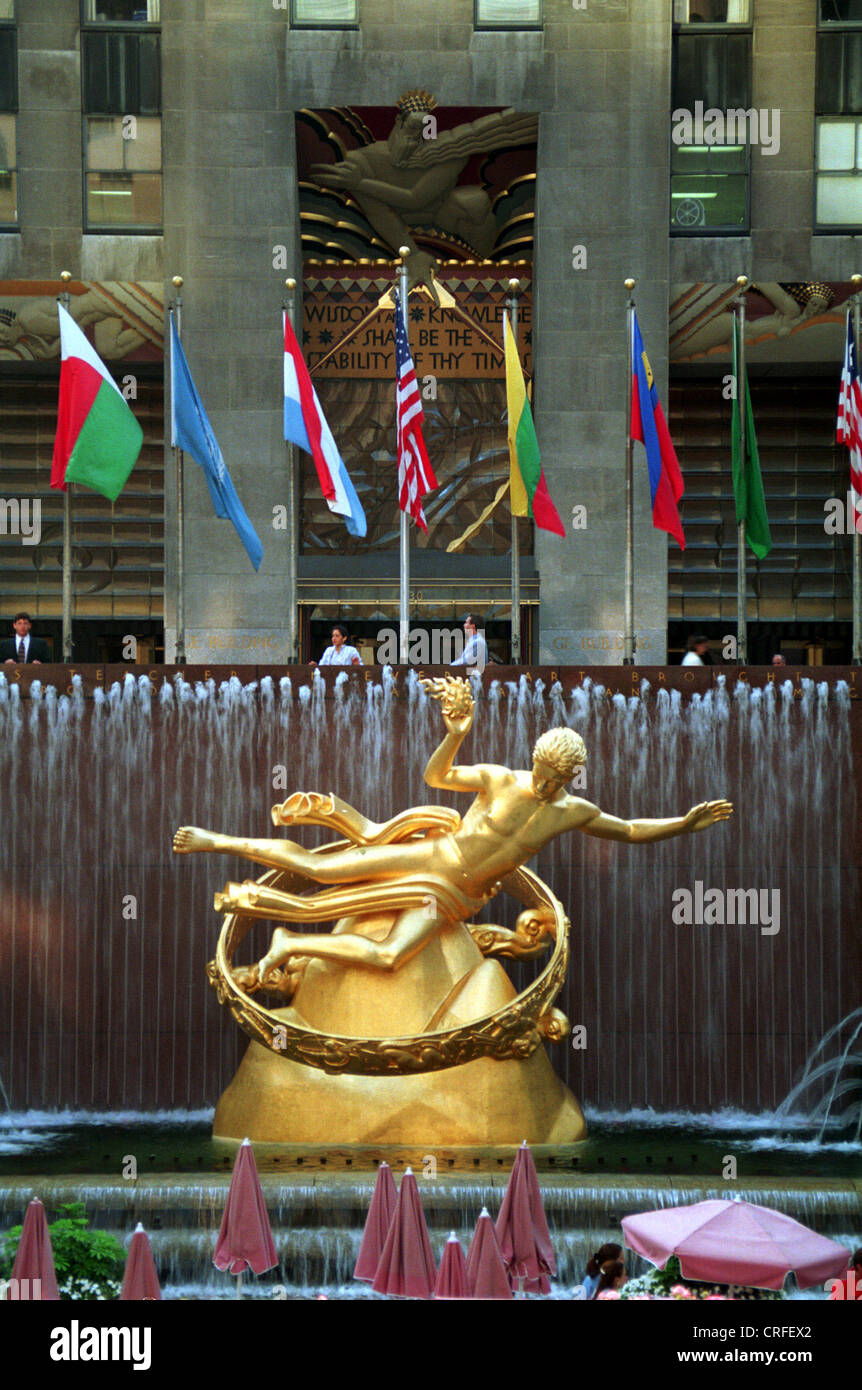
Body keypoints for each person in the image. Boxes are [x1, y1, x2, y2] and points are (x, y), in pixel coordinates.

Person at [173, 676, 733, 983]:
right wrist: (457, 732)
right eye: (539, 768)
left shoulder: (573, 812)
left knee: (391, 956)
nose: (541, 780)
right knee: (318, 868)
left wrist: (684, 824)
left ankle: (290, 941)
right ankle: (215, 840)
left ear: (569, 776)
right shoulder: (499, 778)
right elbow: (435, 775)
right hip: (431, 859)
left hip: (458, 898)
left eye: (553, 776)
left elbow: (630, 830)